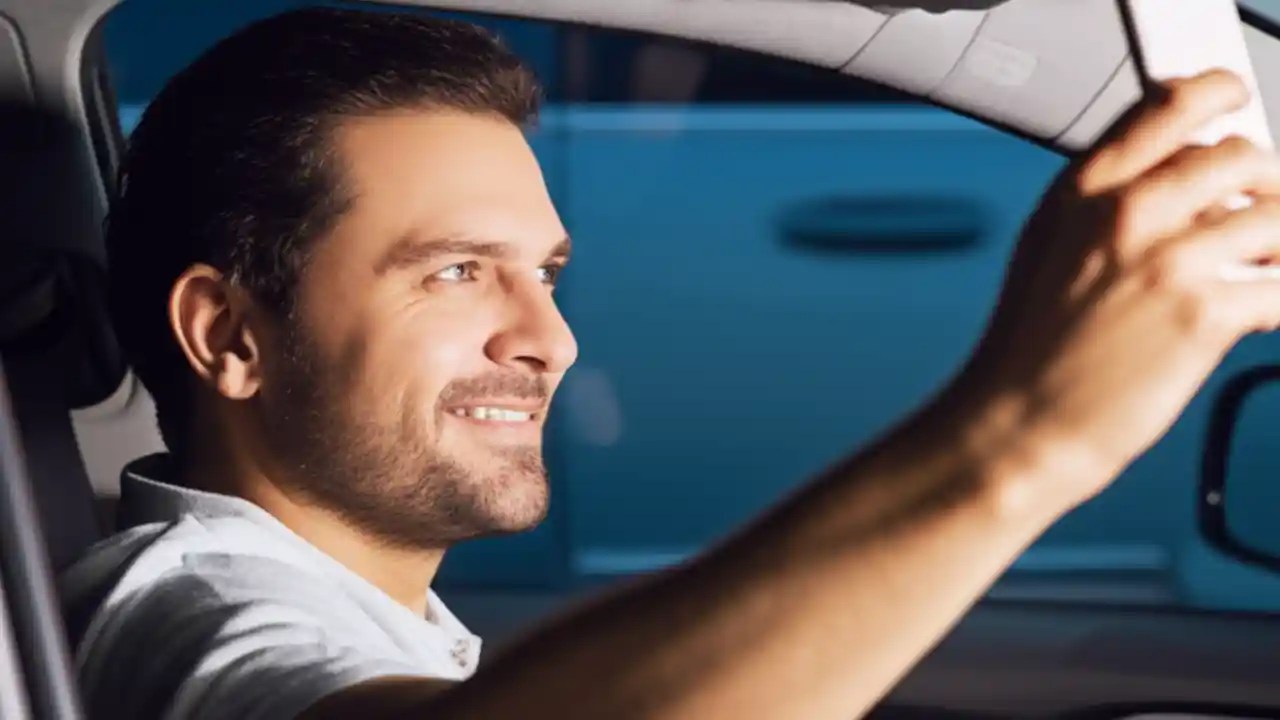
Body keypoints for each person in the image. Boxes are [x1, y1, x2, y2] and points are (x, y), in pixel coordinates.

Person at [60, 7, 1280, 720]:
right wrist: (1024, 436)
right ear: (228, 335)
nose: (546, 339)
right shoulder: (189, 614)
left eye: (546, 272)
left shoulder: (365, 619)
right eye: (453, 270)